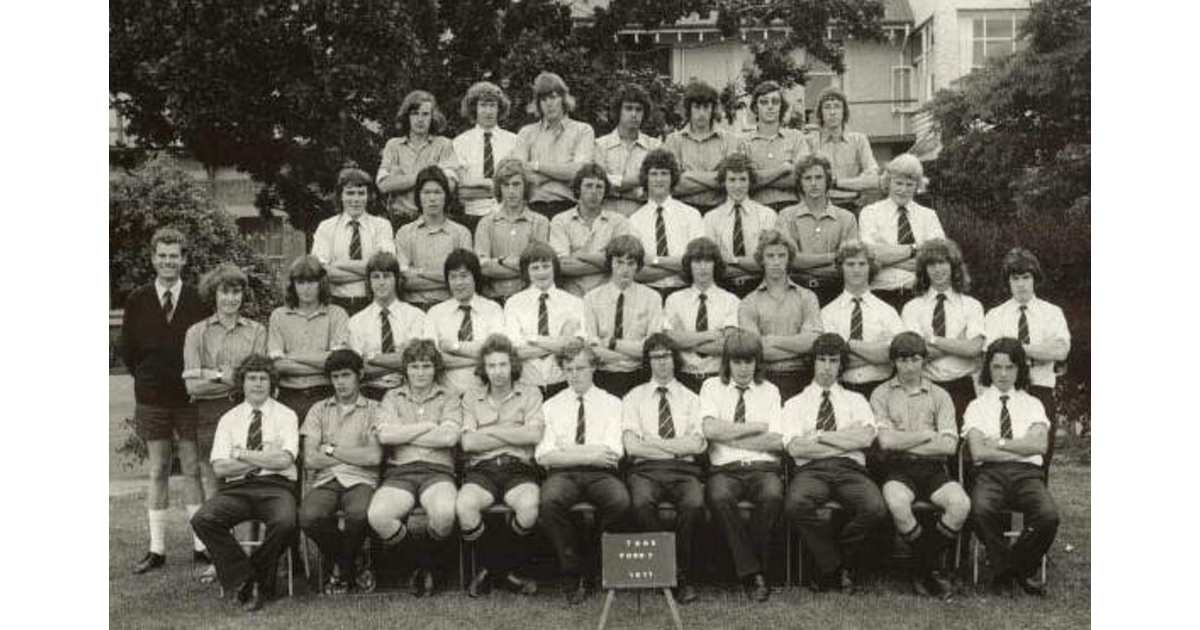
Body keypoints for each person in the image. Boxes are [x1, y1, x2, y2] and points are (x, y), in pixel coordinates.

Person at [122, 227, 209, 575]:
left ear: (184, 259)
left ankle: (201, 545)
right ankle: (156, 549)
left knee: (192, 467)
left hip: (189, 398)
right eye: (162, 256)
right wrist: (147, 377)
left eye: (174, 256)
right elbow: (128, 351)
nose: (168, 261)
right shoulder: (138, 299)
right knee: (157, 469)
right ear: (153, 258)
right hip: (153, 397)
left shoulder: (197, 298)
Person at [190, 354, 299, 612]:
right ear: (243, 383)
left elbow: (284, 460)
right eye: (252, 378)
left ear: (272, 383)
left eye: (263, 378)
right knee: (202, 519)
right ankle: (247, 577)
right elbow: (219, 467)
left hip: (276, 487)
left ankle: (250, 579)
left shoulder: (286, 415)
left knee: (285, 522)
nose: (258, 384)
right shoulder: (229, 418)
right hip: (237, 489)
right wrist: (264, 456)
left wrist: (241, 453)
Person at [780, 332, 887, 594]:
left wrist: (820, 436)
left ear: (841, 365)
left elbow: (865, 438)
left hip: (850, 469)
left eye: (833, 360)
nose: (827, 366)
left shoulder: (856, 400)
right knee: (795, 504)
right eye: (822, 360)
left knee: (874, 508)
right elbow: (795, 446)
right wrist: (843, 440)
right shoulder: (795, 403)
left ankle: (829, 563)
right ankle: (835, 566)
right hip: (810, 470)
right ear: (813, 363)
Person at [871, 332, 970, 599]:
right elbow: (886, 442)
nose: (910, 366)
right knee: (897, 503)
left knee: (960, 504)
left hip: (934, 468)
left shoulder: (940, 395)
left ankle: (921, 567)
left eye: (916, 359)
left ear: (924, 361)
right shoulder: (881, 394)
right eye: (903, 360)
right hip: (898, 469)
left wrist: (903, 441)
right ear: (894, 362)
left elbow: (948, 446)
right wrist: (928, 435)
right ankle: (931, 569)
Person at [536, 339, 631, 605]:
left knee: (620, 502)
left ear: (593, 369)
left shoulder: (612, 403)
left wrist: (567, 448)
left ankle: (591, 561)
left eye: (580, 368)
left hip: (601, 475)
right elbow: (544, 455)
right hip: (563, 474)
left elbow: (612, 453)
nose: (574, 374)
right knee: (549, 501)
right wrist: (591, 452)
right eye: (569, 369)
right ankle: (572, 570)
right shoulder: (551, 405)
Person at [963, 338, 1059, 597]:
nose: (1003, 374)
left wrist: (1001, 443)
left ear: (1020, 370)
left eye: (1010, 367)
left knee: (1048, 516)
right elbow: (979, 451)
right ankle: (1011, 572)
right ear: (988, 369)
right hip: (989, 475)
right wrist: (1020, 447)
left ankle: (1010, 569)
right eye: (997, 367)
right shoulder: (977, 406)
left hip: (1027, 476)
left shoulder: (1033, 404)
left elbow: (1039, 445)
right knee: (980, 510)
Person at [182, 263, 268, 549]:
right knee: (215, 484)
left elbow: (258, 380)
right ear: (213, 294)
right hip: (210, 413)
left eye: (236, 292)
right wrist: (229, 376)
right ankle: (220, 556)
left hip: (248, 413)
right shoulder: (197, 333)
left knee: (249, 479)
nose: (231, 298)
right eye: (225, 292)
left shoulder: (256, 331)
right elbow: (193, 386)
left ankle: (249, 549)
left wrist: (212, 373)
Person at [368, 339, 463, 597]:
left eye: (426, 366)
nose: (420, 372)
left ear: (435, 369)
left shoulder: (449, 396)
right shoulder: (391, 396)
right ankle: (423, 566)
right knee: (378, 516)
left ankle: (422, 567)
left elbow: (449, 439)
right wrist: (429, 425)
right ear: (406, 370)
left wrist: (404, 434)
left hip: (438, 470)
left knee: (444, 514)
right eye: (414, 367)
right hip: (400, 470)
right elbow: (385, 437)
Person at [457, 334, 545, 597]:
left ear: (512, 365)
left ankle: (490, 570)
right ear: (484, 368)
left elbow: (533, 436)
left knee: (529, 508)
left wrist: (491, 433)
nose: (498, 371)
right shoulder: (472, 396)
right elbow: (468, 443)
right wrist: (509, 432)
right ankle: (505, 572)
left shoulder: (530, 393)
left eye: (503, 364)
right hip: (482, 468)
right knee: (464, 506)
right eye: (492, 365)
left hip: (519, 467)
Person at [700, 329, 785, 602]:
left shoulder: (770, 391)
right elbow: (710, 429)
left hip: (763, 468)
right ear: (727, 363)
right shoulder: (711, 387)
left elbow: (775, 440)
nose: (743, 368)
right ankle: (755, 573)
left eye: (749, 362)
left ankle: (747, 569)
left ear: (757, 362)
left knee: (772, 494)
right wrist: (755, 428)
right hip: (725, 469)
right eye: (737, 362)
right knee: (719, 496)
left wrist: (733, 437)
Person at [621, 333, 706, 604]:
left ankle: (682, 574)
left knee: (694, 504)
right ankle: (666, 572)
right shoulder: (633, 397)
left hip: (684, 471)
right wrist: (676, 446)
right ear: (648, 362)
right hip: (645, 470)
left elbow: (698, 444)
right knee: (641, 503)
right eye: (655, 357)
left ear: (675, 359)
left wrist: (654, 443)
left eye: (667, 356)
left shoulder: (692, 398)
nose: (662, 363)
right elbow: (632, 447)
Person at [298, 349, 384, 595]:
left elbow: (373, 457)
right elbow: (311, 459)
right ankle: (353, 563)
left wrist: (331, 449)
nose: (341, 382)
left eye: (346, 375)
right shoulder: (318, 410)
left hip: (362, 480)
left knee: (359, 513)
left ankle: (340, 571)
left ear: (360, 375)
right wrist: (350, 455)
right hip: (325, 479)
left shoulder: (375, 409)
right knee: (309, 517)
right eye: (335, 377)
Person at [983, 247, 1070, 477]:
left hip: (1041, 391)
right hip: (1007, 392)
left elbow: (1060, 351)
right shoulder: (995, 315)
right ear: (1007, 281)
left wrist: (1018, 349)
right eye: (1015, 278)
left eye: (1026, 277)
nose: (1021, 284)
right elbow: (993, 356)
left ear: (1035, 279)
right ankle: (1000, 511)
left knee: (1041, 457)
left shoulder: (1052, 313)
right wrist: (1040, 352)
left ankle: (1037, 509)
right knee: (1003, 453)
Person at [901, 238, 985, 428]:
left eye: (942, 263)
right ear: (924, 270)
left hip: (962, 387)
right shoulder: (912, 308)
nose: (938, 270)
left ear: (953, 266)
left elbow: (974, 349)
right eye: (931, 264)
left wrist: (932, 339)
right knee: (929, 448)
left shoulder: (971, 305)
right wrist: (957, 343)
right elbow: (915, 355)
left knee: (962, 450)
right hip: (926, 386)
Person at [738, 229, 823, 401]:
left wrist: (773, 340)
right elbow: (754, 351)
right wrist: (798, 347)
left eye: (781, 255)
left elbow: (813, 342)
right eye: (770, 256)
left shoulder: (807, 297)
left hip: (802, 378)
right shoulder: (748, 302)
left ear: (789, 258)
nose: (776, 261)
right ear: (761, 260)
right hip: (763, 379)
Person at [268, 255, 350, 423]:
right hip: (288, 396)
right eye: (301, 282)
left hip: (326, 394)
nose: (306, 289)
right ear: (293, 285)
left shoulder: (337, 314)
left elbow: (337, 362)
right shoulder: (279, 315)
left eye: (311, 282)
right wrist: (321, 361)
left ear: (321, 283)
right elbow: (277, 365)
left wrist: (291, 356)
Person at [859, 154, 945, 310]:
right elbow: (870, 256)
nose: (903, 190)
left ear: (917, 186)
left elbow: (936, 260)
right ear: (888, 182)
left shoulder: (928, 216)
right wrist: (915, 249)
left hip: (920, 294)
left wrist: (887, 258)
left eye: (909, 184)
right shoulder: (870, 212)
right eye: (898, 183)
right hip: (880, 294)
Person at [820, 241, 904, 398]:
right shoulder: (827, 313)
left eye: (862, 264)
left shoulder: (887, 311)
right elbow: (831, 361)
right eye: (850, 264)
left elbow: (896, 354)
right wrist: (877, 355)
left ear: (870, 267)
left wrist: (848, 345)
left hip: (882, 392)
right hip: (841, 392)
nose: (856, 269)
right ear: (841, 268)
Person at [504, 241, 587, 399]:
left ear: (554, 268)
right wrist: (559, 343)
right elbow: (516, 352)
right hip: (526, 385)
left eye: (546, 266)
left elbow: (576, 347)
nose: (541, 272)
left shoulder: (573, 302)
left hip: (564, 382)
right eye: (535, 268)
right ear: (525, 271)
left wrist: (532, 339)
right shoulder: (513, 304)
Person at [584, 234, 664, 398]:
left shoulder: (652, 298)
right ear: (610, 263)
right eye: (619, 262)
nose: (625, 269)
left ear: (638, 266)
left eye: (631, 263)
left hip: (639, 375)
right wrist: (628, 351)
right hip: (603, 375)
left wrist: (610, 343)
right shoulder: (592, 298)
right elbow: (591, 346)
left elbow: (650, 348)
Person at [774, 155, 860, 305]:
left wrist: (805, 265)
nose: (814, 183)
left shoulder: (847, 218)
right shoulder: (786, 216)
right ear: (800, 183)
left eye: (819, 177)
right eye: (807, 178)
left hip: (835, 293)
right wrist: (835, 257)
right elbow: (789, 261)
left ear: (827, 180)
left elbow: (848, 264)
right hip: (795, 292)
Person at [312, 165, 397, 316]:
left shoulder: (382, 226)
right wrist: (370, 271)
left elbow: (385, 267)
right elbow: (321, 272)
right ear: (340, 196)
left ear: (369, 196)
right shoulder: (326, 227)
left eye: (361, 193)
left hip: (373, 302)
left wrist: (339, 264)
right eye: (350, 193)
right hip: (335, 303)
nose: (355, 200)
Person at [513, 71, 595, 219]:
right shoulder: (526, 133)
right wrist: (562, 171)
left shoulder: (583, 130)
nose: (549, 104)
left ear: (563, 99)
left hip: (570, 207)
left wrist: (536, 166)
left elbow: (579, 173)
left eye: (553, 97)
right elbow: (520, 174)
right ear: (538, 103)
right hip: (533, 209)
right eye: (543, 99)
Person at [424, 249, 507, 393]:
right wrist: (480, 357)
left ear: (475, 277)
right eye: (453, 277)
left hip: (487, 394)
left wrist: (453, 348)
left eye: (464, 276)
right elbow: (432, 360)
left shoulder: (493, 309)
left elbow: (496, 353)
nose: (458, 283)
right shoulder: (435, 313)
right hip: (447, 396)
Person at [664, 237, 740, 393]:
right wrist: (713, 334)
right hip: (683, 380)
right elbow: (669, 340)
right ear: (689, 265)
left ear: (716, 265)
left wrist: (685, 341)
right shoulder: (674, 300)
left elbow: (729, 346)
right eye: (697, 262)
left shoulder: (731, 301)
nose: (702, 267)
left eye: (708, 261)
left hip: (719, 381)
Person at [347, 252, 427, 400]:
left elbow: (414, 361)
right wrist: (398, 361)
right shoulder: (356, 321)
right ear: (369, 282)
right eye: (376, 277)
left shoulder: (416, 316)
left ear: (397, 279)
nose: (381, 282)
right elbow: (358, 368)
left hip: (408, 391)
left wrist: (371, 358)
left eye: (387, 276)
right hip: (369, 392)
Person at [628, 148, 705, 300]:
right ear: (646, 178)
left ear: (672, 178)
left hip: (685, 292)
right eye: (654, 174)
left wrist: (654, 261)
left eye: (664, 173)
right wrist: (679, 266)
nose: (659, 179)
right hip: (647, 293)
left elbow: (696, 263)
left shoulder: (691, 215)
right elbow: (636, 271)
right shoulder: (634, 220)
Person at [394, 165, 474, 310]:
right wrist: (446, 277)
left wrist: (419, 272)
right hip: (413, 308)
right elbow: (403, 280)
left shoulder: (462, 233)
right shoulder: (404, 233)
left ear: (446, 196)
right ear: (418, 196)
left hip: (450, 308)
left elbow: (463, 280)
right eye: (426, 192)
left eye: (437, 192)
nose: (432, 198)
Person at [549, 162, 634, 296]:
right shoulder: (560, 221)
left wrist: (581, 256)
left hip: (608, 296)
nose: (594, 192)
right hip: (571, 295)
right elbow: (562, 266)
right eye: (588, 186)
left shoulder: (619, 221)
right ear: (578, 189)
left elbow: (621, 263)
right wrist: (604, 262)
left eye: (599, 187)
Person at [377, 90, 461, 224]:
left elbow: (449, 185)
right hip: (399, 219)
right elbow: (384, 185)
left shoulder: (444, 145)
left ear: (433, 117)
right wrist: (432, 175)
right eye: (415, 114)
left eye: (425, 114)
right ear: (407, 117)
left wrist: (400, 179)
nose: (420, 119)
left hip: (434, 219)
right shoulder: (393, 146)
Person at [474, 158, 551, 303]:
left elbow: (538, 267)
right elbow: (482, 268)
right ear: (499, 188)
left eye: (516, 184)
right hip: (493, 299)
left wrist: (500, 262)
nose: (511, 191)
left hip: (528, 300)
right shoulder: (486, 223)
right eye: (505, 185)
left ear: (526, 187)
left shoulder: (540, 222)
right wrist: (522, 266)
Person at [703, 152, 778, 298]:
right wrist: (749, 264)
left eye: (743, 179)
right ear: (723, 182)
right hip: (723, 288)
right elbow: (714, 267)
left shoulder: (767, 215)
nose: (738, 186)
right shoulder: (710, 218)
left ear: (750, 181)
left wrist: (732, 260)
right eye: (732, 180)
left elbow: (767, 263)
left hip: (760, 287)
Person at [663, 80, 739, 215]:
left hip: (720, 211)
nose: (702, 113)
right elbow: (673, 185)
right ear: (689, 109)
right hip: (683, 212)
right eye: (697, 107)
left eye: (706, 107)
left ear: (713, 109)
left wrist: (688, 175)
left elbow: (731, 182)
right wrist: (715, 178)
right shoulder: (674, 140)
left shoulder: (729, 140)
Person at [453, 81, 519, 229]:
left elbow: (517, 184)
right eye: (483, 105)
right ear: (474, 108)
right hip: (472, 216)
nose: (488, 111)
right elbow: (462, 191)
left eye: (492, 105)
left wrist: (476, 184)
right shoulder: (460, 142)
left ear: (499, 109)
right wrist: (493, 185)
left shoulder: (513, 141)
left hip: (507, 215)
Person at [806, 86, 880, 211]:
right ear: (820, 112)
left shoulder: (859, 140)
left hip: (853, 205)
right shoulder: (810, 142)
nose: (832, 112)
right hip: (820, 207)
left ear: (844, 111)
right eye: (827, 107)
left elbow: (873, 178)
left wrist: (834, 183)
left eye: (837, 106)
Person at [594, 83, 661, 217]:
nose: (634, 114)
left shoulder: (654, 147)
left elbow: (656, 186)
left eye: (639, 109)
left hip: (643, 217)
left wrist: (616, 188)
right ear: (619, 110)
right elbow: (599, 185)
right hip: (607, 216)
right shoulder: (600, 145)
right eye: (628, 108)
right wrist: (640, 182)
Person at [741, 80, 810, 211]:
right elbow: (746, 182)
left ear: (781, 106)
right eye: (764, 102)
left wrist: (761, 178)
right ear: (755, 108)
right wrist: (783, 169)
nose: (770, 106)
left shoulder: (796, 138)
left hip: (792, 208)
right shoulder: (745, 142)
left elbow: (803, 179)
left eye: (775, 102)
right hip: (757, 209)